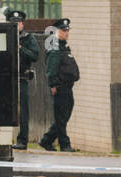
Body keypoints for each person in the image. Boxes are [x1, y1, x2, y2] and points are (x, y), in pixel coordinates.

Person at [39, 18, 78, 152]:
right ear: (57, 31)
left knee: (64, 116)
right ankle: (64, 144)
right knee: (61, 117)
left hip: (68, 87)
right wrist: (53, 85)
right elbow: (51, 69)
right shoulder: (55, 47)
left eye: (67, 30)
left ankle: (47, 140)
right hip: (60, 87)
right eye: (64, 30)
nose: (66, 33)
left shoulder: (63, 46)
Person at [9, 10, 40, 149]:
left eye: (18, 23)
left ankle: (22, 141)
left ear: (22, 24)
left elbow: (35, 56)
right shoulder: (4, 36)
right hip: (7, 79)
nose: (16, 25)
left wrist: (21, 49)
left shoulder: (28, 38)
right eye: (13, 23)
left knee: (23, 112)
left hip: (21, 78)